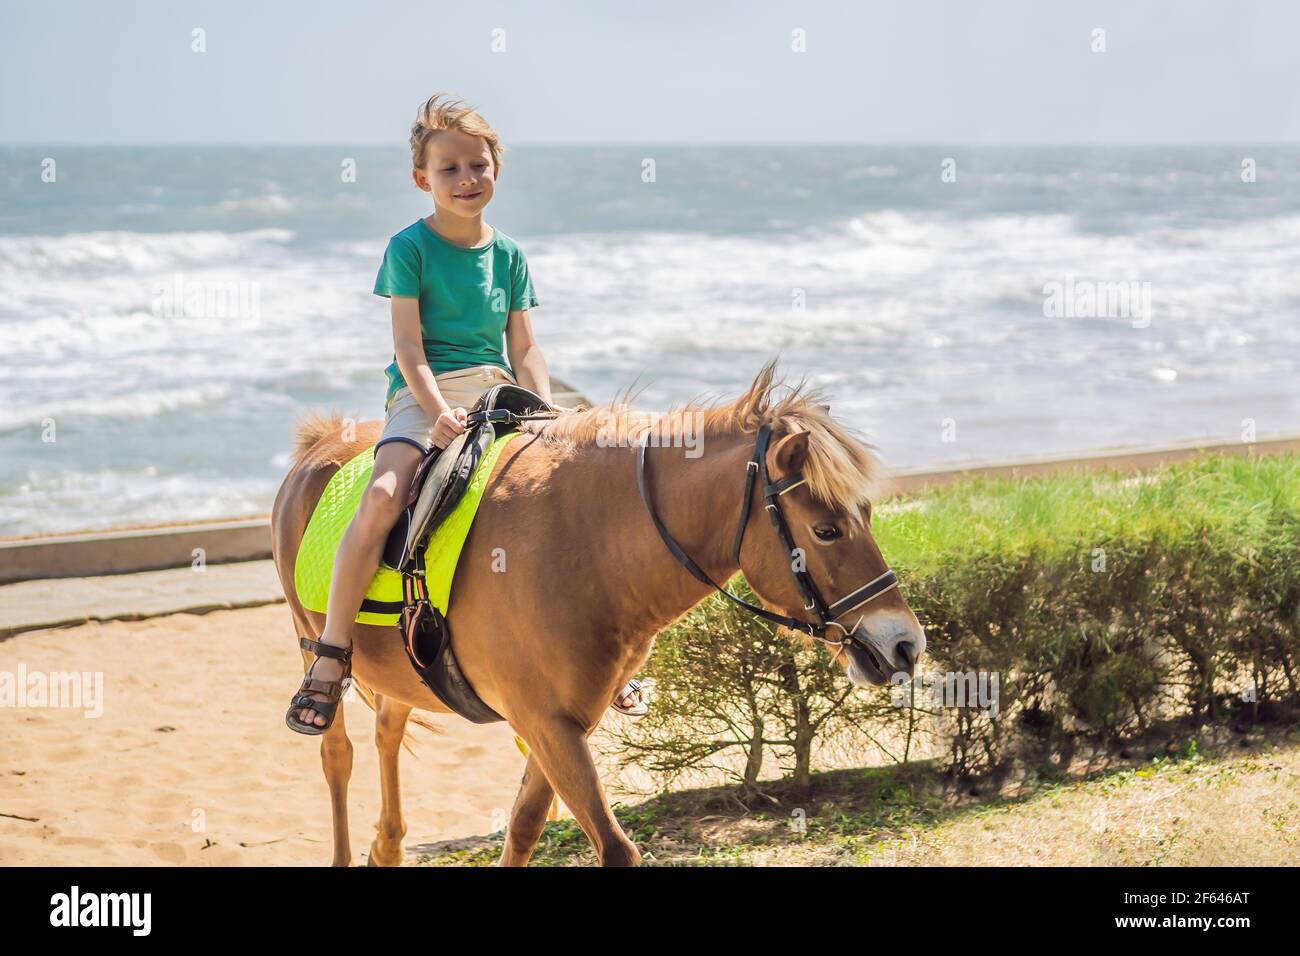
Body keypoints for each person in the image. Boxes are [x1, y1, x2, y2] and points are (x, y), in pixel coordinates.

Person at [287, 94, 645, 734]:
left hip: (501, 392)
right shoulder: (409, 249)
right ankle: (332, 652)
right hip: (424, 396)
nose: (466, 179)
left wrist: (546, 412)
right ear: (422, 179)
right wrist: (438, 413)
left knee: (575, 496)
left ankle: (599, 648)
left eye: (477, 165)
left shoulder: (508, 254)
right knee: (384, 496)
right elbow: (408, 348)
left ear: (496, 169)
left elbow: (525, 346)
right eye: (449, 169)